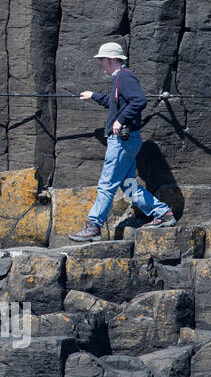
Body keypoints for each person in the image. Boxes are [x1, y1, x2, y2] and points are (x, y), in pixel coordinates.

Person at [68, 41, 176, 242]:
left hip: (121, 142)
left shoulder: (125, 77)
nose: (100, 64)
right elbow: (115, 102)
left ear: (111, 59)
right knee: (127, 185)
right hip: (127, 141)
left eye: (101, 60)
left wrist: (120, 120)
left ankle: (93, 225)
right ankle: (162, 213)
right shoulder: (119, 78)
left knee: (107, 184)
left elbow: (139, 100)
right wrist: (93, 96)